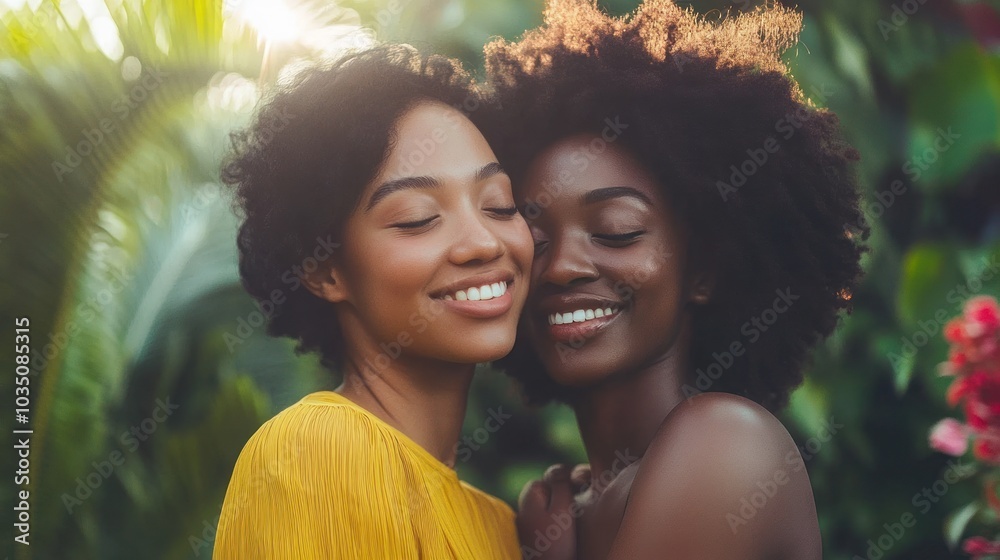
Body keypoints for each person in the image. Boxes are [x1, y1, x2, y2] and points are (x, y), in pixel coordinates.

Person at [484, 1, 868, 558]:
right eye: (536, 242)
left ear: (703, 271)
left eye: (616, 231)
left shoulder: (724, 443)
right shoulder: (575, 503)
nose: (563, 266)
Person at [213, 44, 532, 559]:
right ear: (325, 270)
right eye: (417, 218)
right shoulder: (315, 449)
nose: (485, 243)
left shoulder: (499, 524)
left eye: (500, 205)